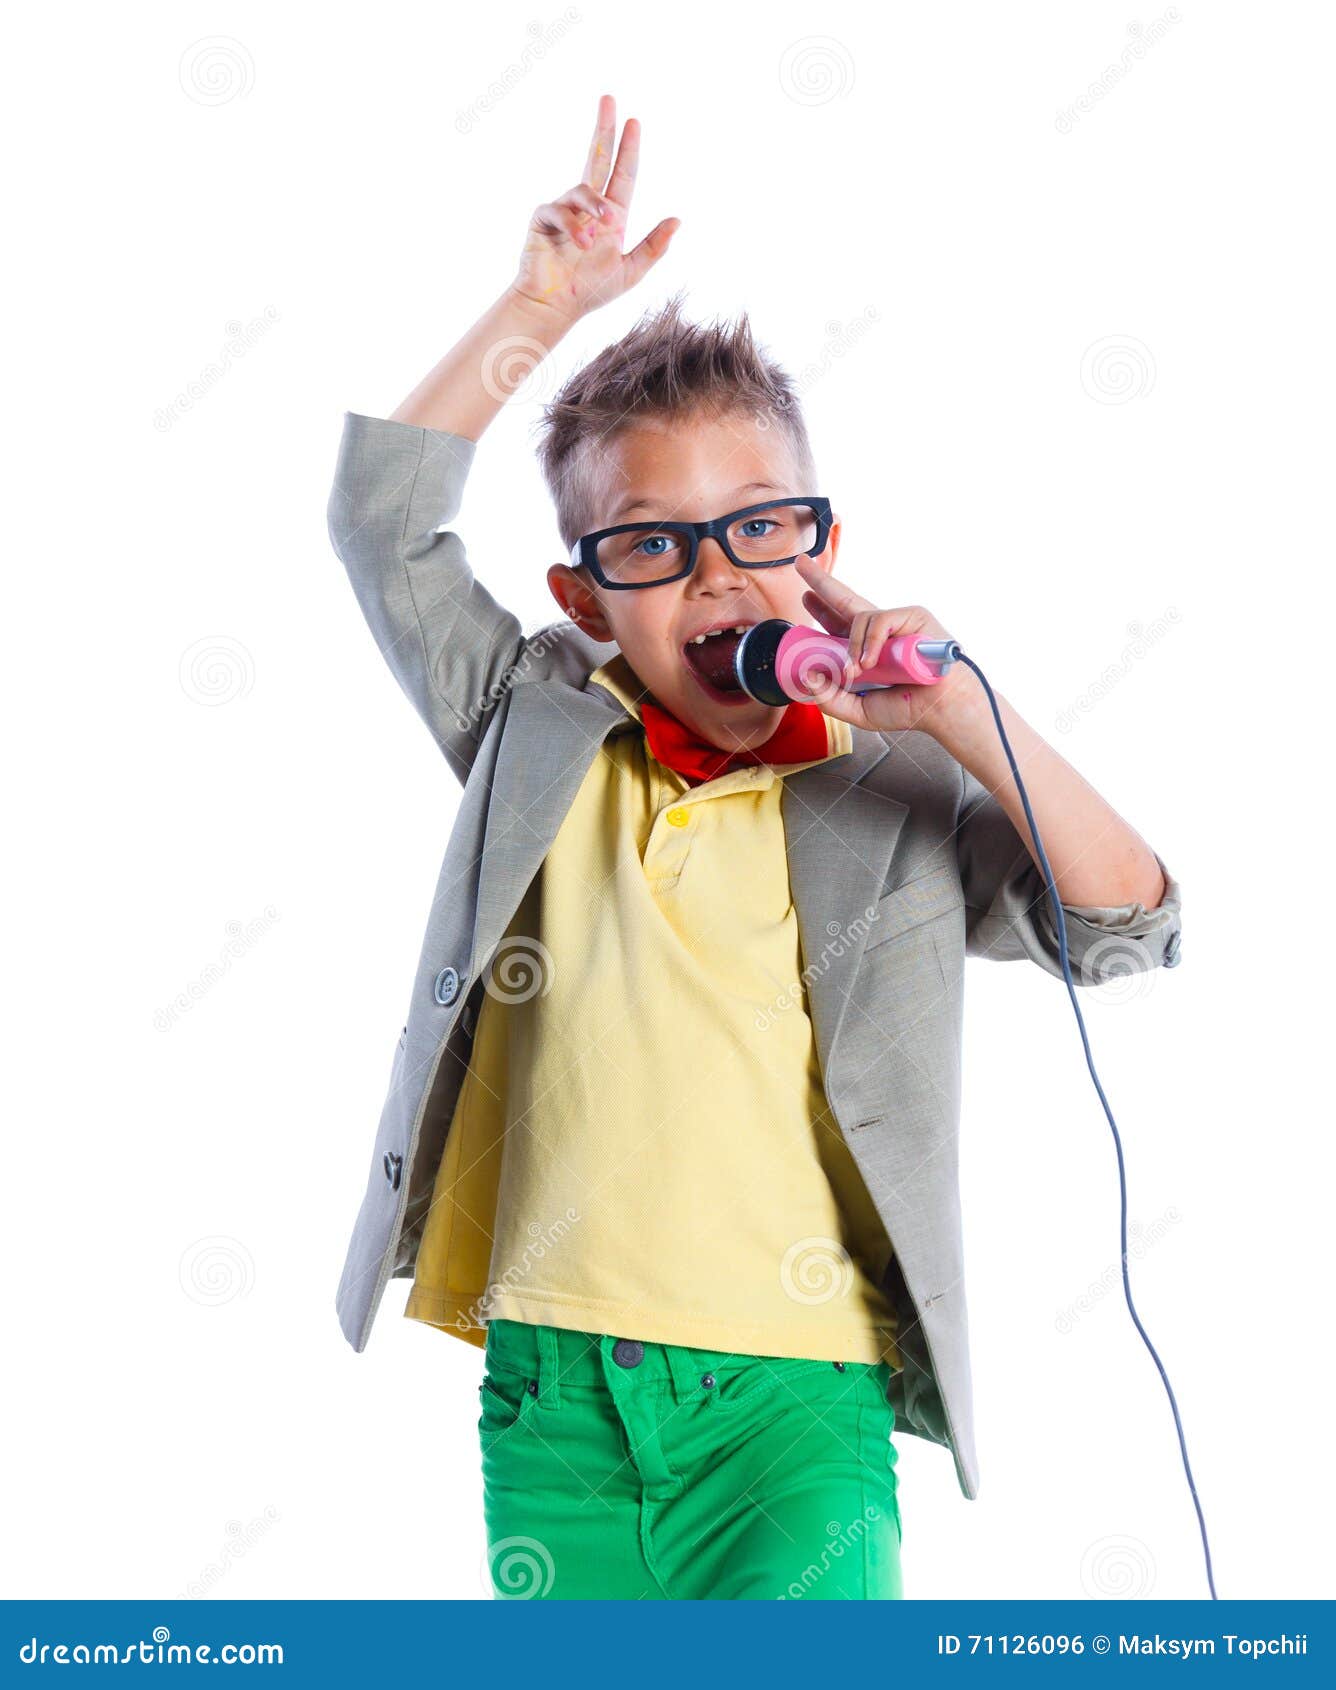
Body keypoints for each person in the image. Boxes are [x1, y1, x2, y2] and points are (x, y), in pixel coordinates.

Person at [325, 94, 1182, 1601]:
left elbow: (1125, 920)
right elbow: (383, 522)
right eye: (651, 543)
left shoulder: (887, 780)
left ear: (820, 552)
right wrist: (538, 310)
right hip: (555, 1391)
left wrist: (966, 717)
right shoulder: (532, 726)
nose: (715, 573)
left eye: (757, 527)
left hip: (797, 1400)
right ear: (588, 598)